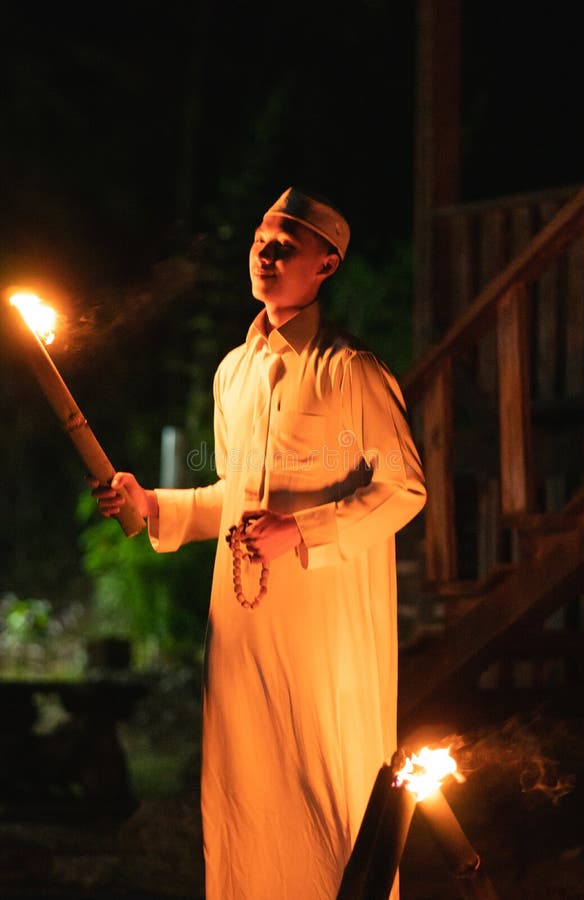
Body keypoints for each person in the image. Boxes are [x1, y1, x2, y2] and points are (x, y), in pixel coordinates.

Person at [92, 186, 427, 899]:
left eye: (284, 246)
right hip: (241, 625)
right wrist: (153, 505)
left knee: (328, 781)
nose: (265, 256)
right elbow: (233, 496)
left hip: (324, 628)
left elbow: (404, 489)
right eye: (258, 242)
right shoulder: (232, 373)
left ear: (325, 265)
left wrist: (301, 531)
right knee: (245, 787)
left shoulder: (351, 370)